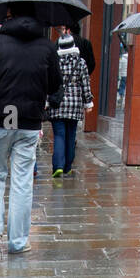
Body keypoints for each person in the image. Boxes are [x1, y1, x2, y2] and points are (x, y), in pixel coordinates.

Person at [0, 8, 60, 254]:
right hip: (29, 122)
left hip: (2, 119)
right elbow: (55, 85)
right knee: (21, 182)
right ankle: (18, 242)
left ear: (8, 18)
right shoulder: (47, 47)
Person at [48, 30, 93, 179]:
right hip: (74, 105)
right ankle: (67, 167)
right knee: (71, 135)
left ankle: (58, 166)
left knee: (59, 135)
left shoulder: (54, 62)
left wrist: (47, 101)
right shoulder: (80, 62)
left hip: (58, 105)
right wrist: (88, 103)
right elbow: (85, 84)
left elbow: (50, 83)